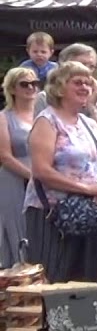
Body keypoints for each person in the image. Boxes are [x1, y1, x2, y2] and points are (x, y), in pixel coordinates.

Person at [24, 61, 97, 283]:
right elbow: (41, 170)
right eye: (77, 82)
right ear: (59, 87)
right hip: (53, 215)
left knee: (90, 282)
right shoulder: (47, 121)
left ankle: (85, 320)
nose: (85, 87)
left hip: (91, 214)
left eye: (88, 83)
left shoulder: (88, 123)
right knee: (54, 281)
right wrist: (87, 188)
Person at [0, 67, 38, 267]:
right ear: (13, 88)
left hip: (42, 182)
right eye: (25, 84)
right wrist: (33, 176)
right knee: (18, 232)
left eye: (34, 83)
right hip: (15, 181)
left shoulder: (44, 114)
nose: (31, 87)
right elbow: (5, 156)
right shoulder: (4, 117)